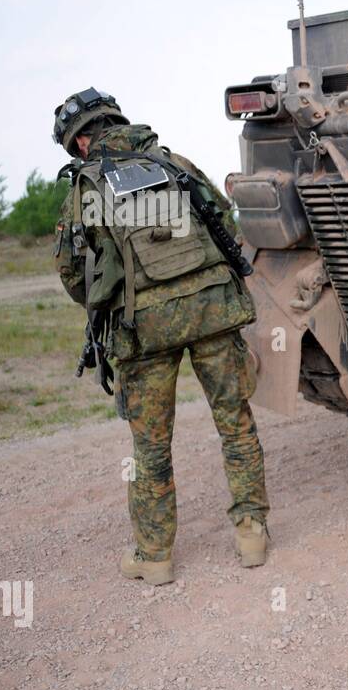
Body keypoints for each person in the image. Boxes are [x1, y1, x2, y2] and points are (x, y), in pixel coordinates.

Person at [52, 87, 271, 586]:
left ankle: (155, 558)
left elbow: (72, 272)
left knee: (151, 447)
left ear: (82, 142)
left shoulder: (86, 188)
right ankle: (251, 534)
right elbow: (222, 219)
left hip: (144, 327)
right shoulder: (174, 163)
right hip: (214, 309)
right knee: (235, 423)